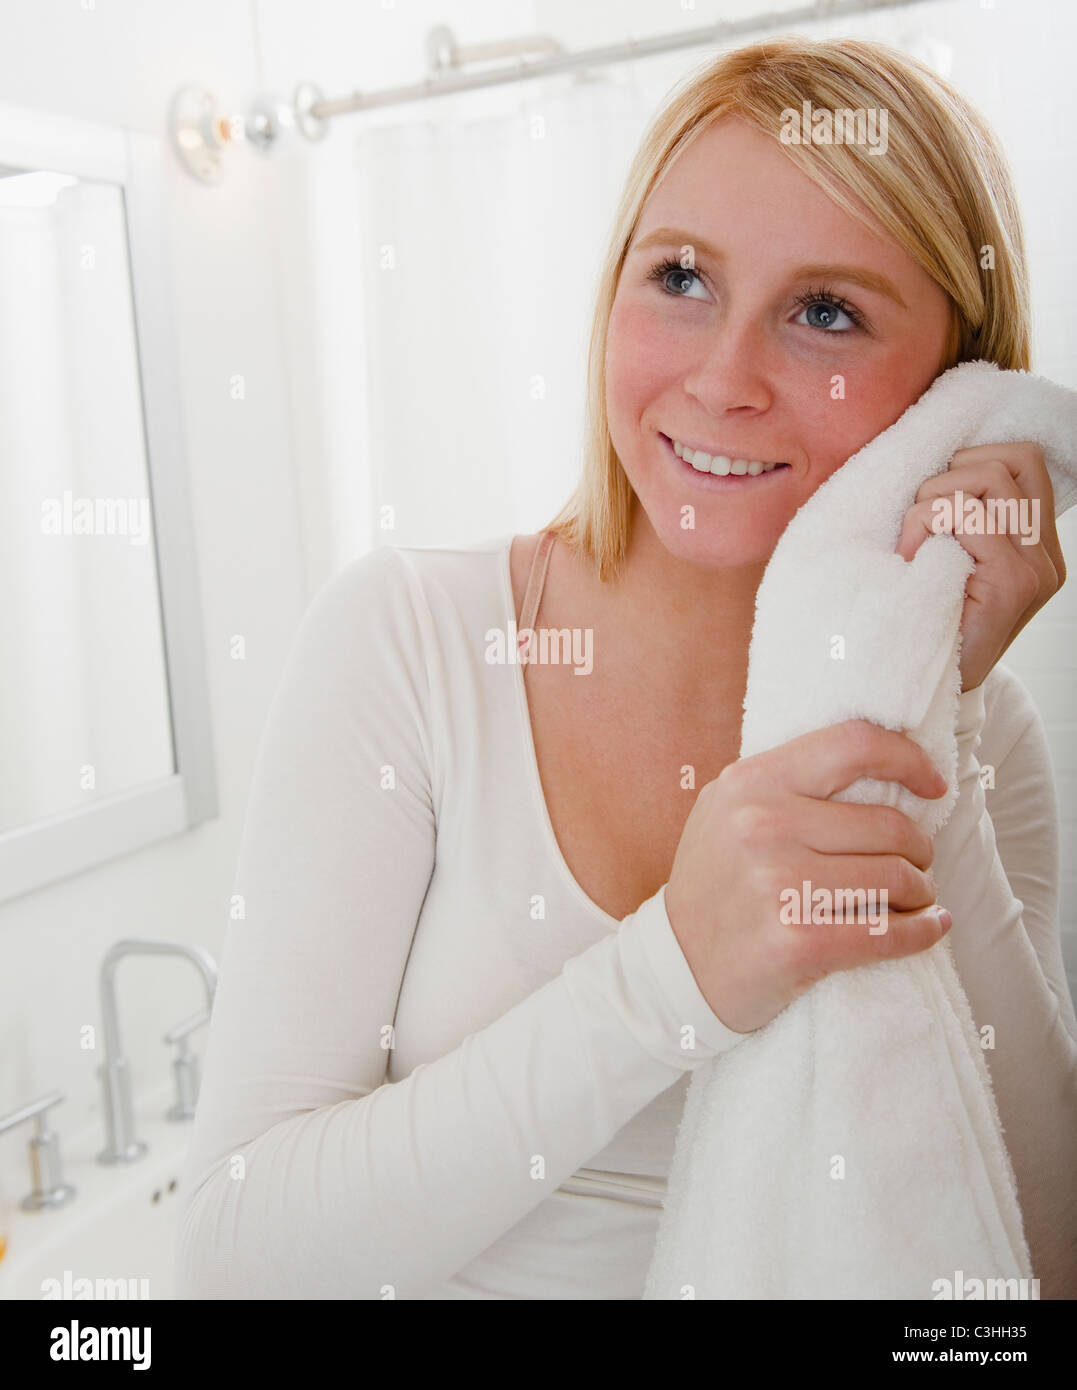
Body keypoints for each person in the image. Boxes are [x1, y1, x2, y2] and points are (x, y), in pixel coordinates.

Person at [175, 35, 1077, 1299]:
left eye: (826, 313)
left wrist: (945, 730)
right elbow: (231, 1257)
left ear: (960, 394)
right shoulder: (413, 640)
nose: (721, 379)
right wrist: (674, 975)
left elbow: (1033, 1258)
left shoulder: (992, 741)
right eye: (681, 278)